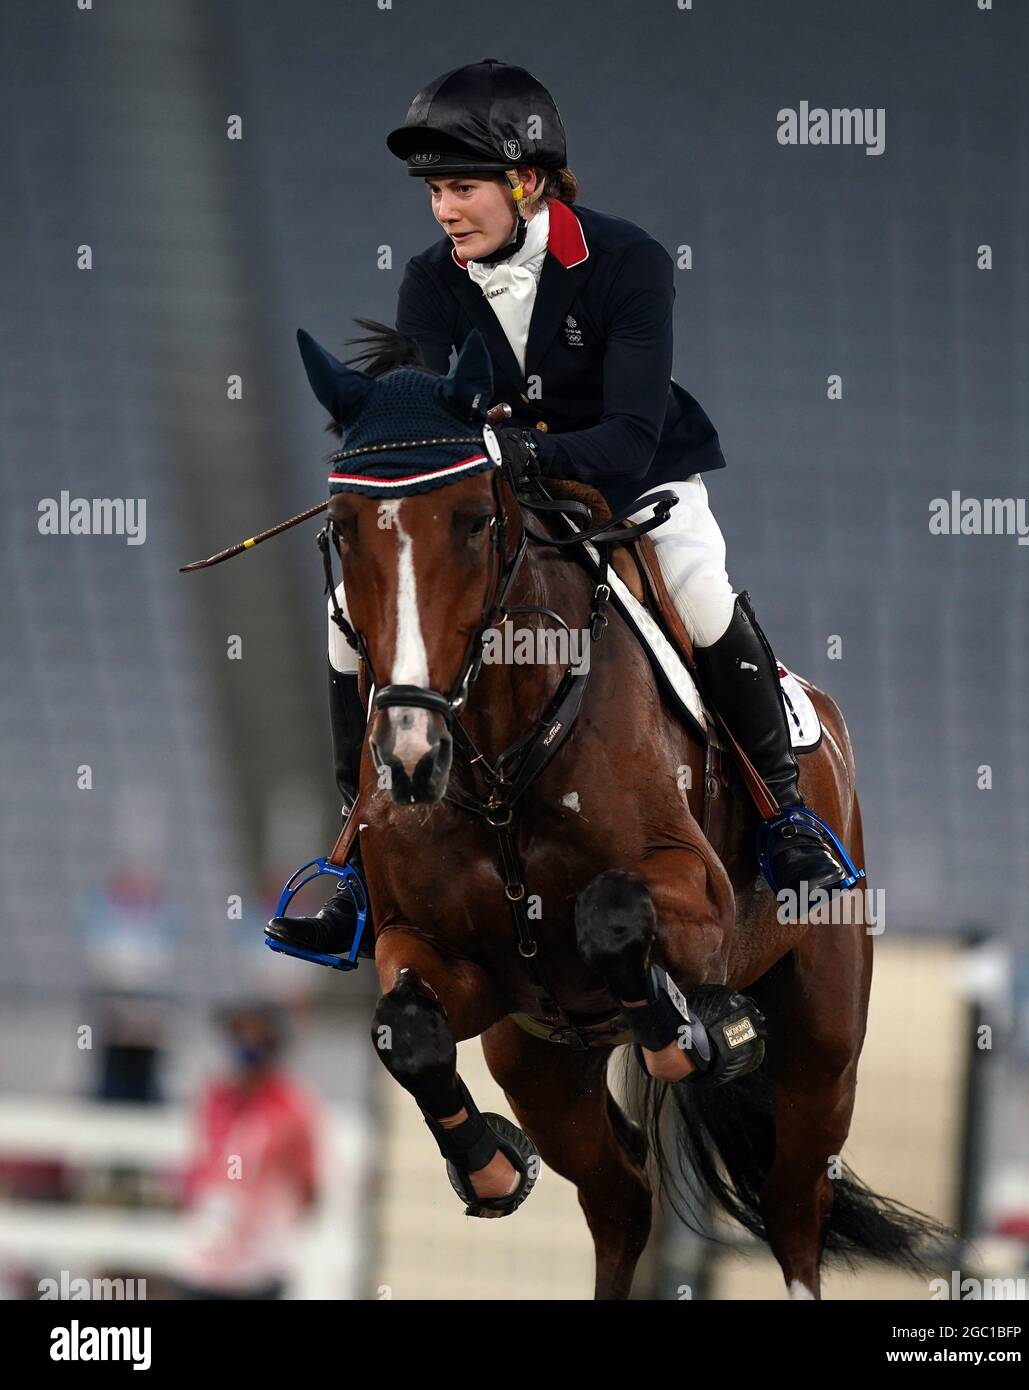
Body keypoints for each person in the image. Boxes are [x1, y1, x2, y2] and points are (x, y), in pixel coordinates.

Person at [279, 58, 846, 956]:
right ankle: (356, 850)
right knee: (347, 620)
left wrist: (512, 449)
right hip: (503, 498)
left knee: (699, 592)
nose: (443, 211)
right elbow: (441, 418)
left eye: (461, 188)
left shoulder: (627, 262)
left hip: (633, 483)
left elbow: (625, 435)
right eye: (434, 192)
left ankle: (782, 817)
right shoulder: (431, 282)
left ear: (526, 181)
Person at [173, 1002, 318, 1299]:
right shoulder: (216, 1098)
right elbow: (200, 1164)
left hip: (259, 1265)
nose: (247, 1045)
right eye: (242, 1035)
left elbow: (308, 1186)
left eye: (257, 1037)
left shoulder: (293, 1107)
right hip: (207, 1260)